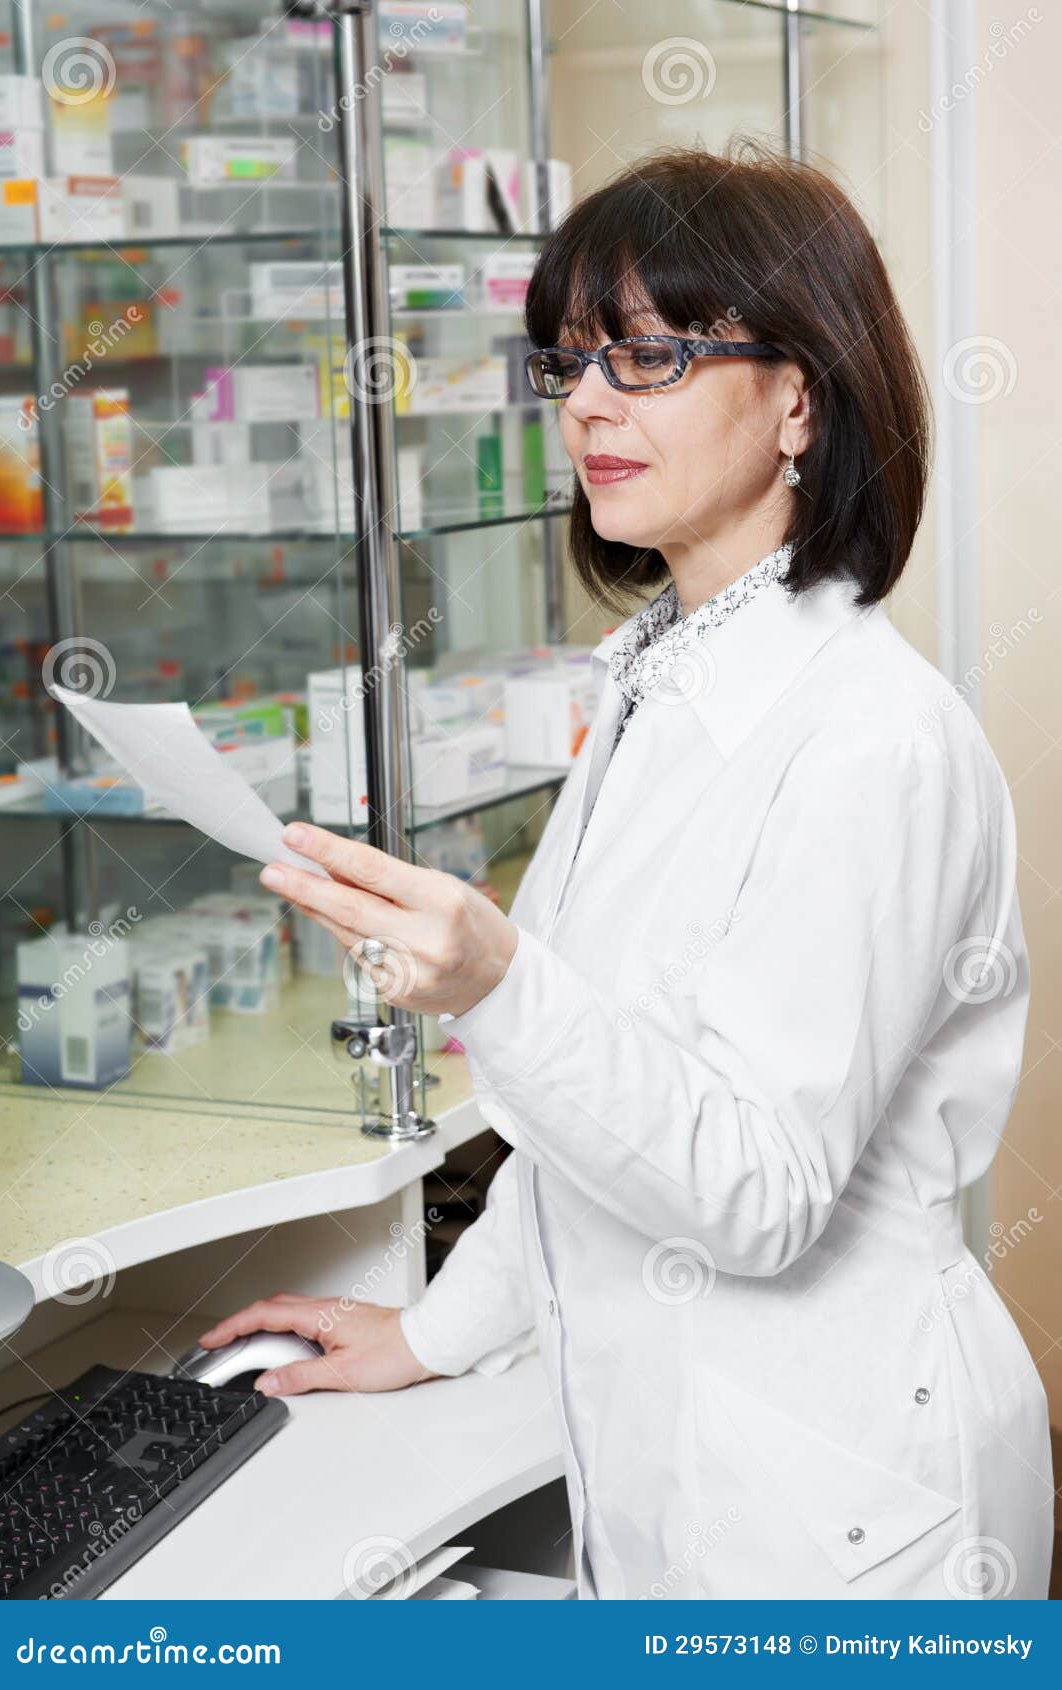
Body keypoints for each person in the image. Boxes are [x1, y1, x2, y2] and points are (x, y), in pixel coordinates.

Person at [199, 144, 1053, 1600]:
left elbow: (758, 1190)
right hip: (682, 1457)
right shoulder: (658, 679)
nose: (586, 400)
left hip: (838, 1507)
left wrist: (499, 983)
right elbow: (599, 1136)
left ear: (799, 396)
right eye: (571, 361)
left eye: (650, 355)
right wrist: (432, 1332)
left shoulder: (866, 741)